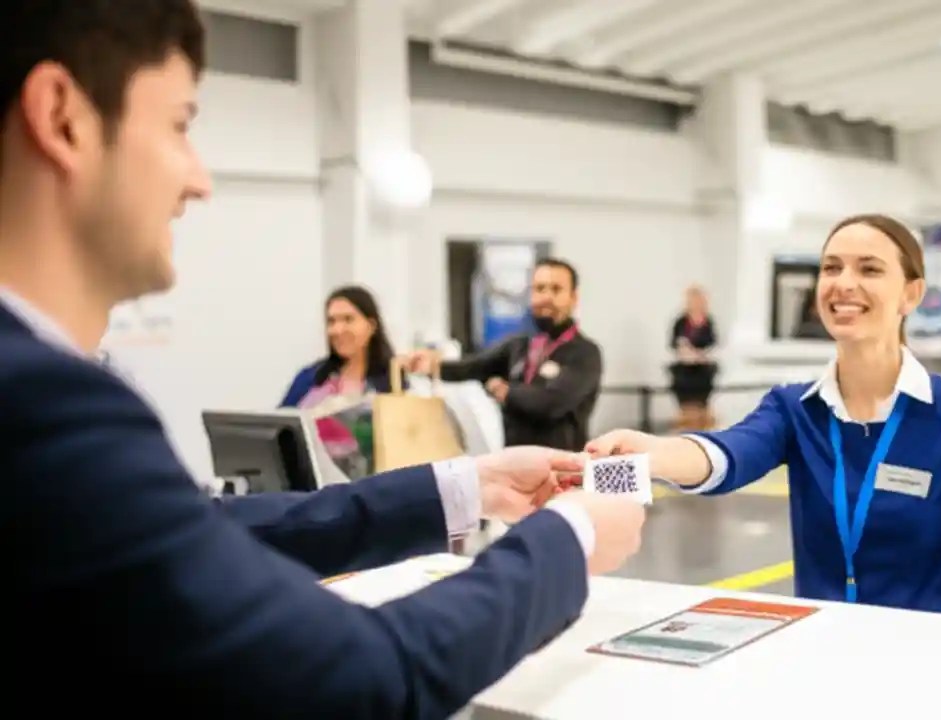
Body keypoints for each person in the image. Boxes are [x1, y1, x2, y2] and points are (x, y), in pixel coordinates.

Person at [0, 3, 645, 717]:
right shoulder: (41, 404)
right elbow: (365, 677)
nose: (199, 179)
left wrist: (467, 486)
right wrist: (574, 536)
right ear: (63, 117)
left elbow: (215, 528)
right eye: (180, 126)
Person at [589, 214, 941, 619]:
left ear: (911, 294)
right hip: (818, 656)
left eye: (868, 269)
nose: (843, 283)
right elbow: (726, 457)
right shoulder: (794, 410)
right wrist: (637, 460)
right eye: (831, 268)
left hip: (926, 659)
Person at [408, 258, 603, 451]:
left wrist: (506, 392)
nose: (546, 297)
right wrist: (431, 365)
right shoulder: (519, 345)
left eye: (556, 289)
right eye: (539, 288)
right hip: (514, 466)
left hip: (562, 470)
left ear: (573, 298)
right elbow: (473, 367)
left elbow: (552, 403)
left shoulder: (585, 353)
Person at [280, 285, 401, 408]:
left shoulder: (393, 381)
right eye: (332, 321)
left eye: (348, 319)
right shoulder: (309, 378)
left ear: (371, 326)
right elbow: (280, 423)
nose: (338, 330)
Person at [669, 285, 718, 431]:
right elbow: (675, 342)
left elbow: (712, 342)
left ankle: (702, 416)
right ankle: (686, 417)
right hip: (685, 366)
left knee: (707, 374)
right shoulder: (681, 321)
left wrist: (700, 354)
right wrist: (686, 351)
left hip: (703, 367)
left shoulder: (708, 321)